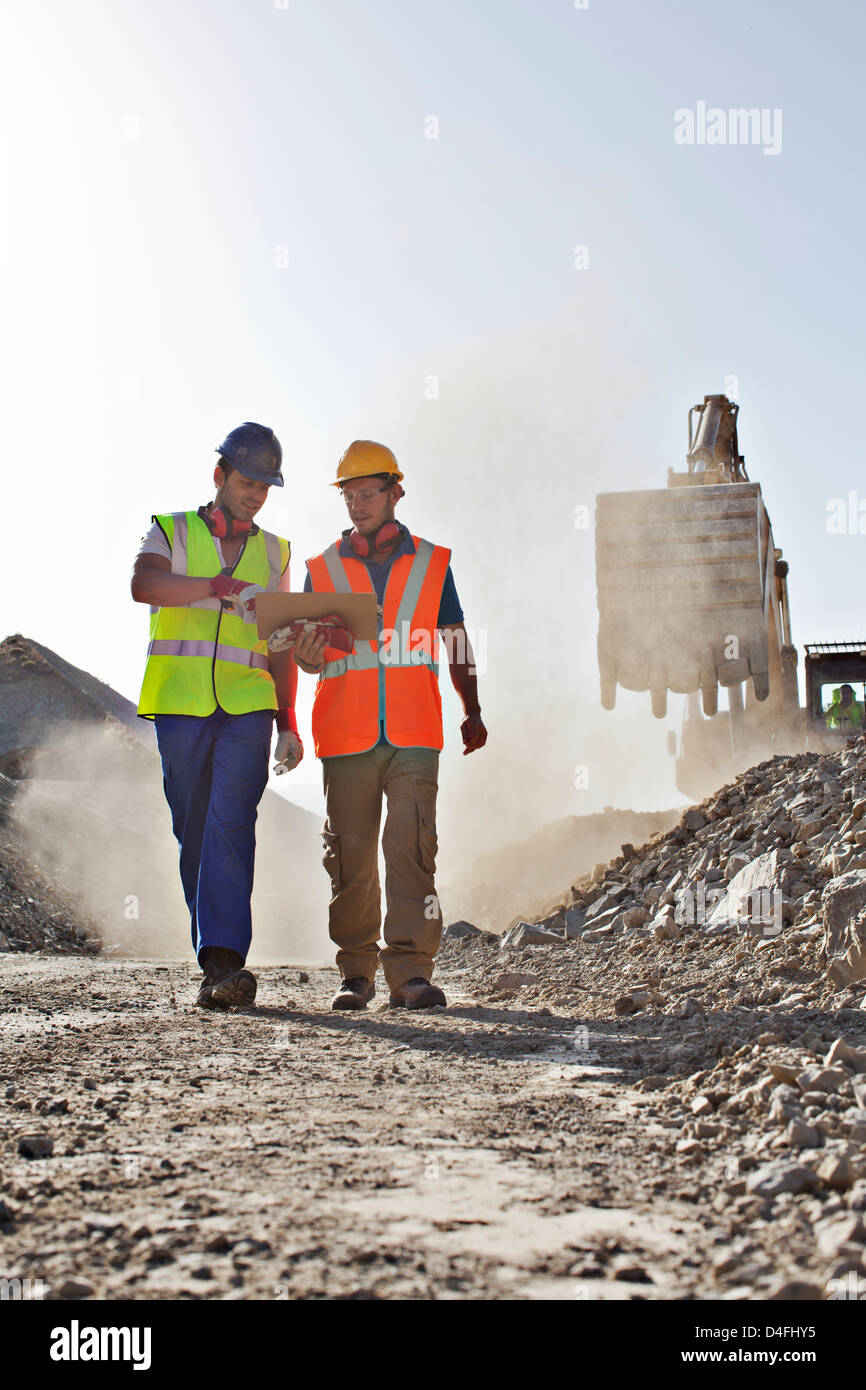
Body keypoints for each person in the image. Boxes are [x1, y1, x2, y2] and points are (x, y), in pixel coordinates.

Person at [280, 439, 487, 1012]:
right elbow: (304, 654)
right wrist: (309, 650)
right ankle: (357, 973)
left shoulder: (431, 562)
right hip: (345, 733)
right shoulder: (320, 568)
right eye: (350, 495)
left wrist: (471, 707)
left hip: (415, 730)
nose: (358, 504)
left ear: (395, 492)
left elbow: (456, 639)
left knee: (412, 848)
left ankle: (412, 972)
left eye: (368, 493)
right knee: (349, 854)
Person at [131, 422, 302, 1010]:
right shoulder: (170, 531)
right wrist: (212, 586)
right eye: (248, 480)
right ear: (220, 475)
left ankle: (225, 961)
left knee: (232, 820)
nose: (257, 493)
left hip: (248, 704)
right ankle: (212, 957)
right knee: (194, 828)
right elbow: (143, 584)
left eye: (266, 485)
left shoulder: (277, 552)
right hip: (180, 705)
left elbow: (278, 642)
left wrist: (288, 722)